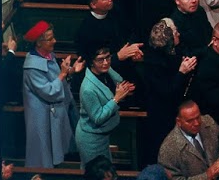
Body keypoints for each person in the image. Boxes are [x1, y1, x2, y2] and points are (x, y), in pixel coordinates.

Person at [21, 20, 80, 167]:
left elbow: (57, 78)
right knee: (43, 156)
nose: (54, 41)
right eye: (50, 39)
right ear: (39, 43)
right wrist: (63, 74)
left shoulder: (49, 55)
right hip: (41, 116)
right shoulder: (32, 67)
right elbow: (48, 91)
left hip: (54, 112)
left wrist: (71, 71)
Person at [74, 44, 137, 166]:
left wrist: (123, 88)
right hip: (90, 139)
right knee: (96, 174)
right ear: (91, 62)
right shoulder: (88, 88)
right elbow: (98, 118)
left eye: (108, 58)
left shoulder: (105, 70)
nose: (105, 62)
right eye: (100, 59)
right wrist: (116, 99)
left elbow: (119, 80)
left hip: (101, 136)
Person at [158, 99, 219, 180]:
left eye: (198, 117)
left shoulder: (209, 123)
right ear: (178, 122)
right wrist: (206, 176)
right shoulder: (168, 149)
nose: (196, 123)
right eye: (190, 121)